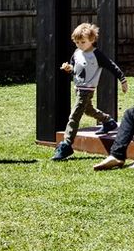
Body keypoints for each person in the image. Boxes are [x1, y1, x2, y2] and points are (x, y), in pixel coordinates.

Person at [51, 22, 128, 162]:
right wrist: (68, 68)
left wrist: (122, 80)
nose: (80, 45)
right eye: (77, 42)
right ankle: (108, 121)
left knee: (74, 115)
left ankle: (66, 145)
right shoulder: (76, 53)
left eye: (83, 42)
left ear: (92, 40)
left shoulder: (96, 55)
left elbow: (112, 66)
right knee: (88, 109)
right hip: (78, 88)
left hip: (87, 89)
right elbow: (74, 67)